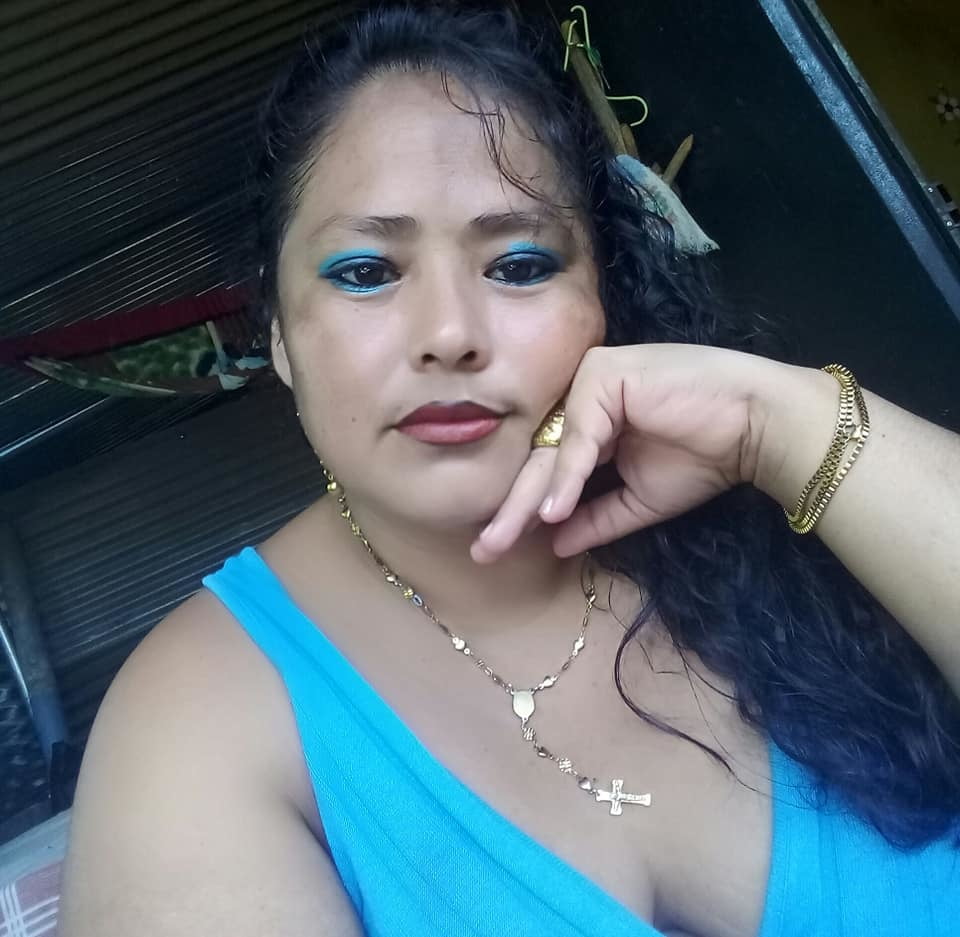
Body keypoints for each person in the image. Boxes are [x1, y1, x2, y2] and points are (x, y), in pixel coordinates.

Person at [59, 3, 960, 935]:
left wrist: (786, 427)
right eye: (366, 271)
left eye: (520, 264)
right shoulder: (196, 720)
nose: (450, 333)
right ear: (280, 335)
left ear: (601, 296)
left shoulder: (766, 502)